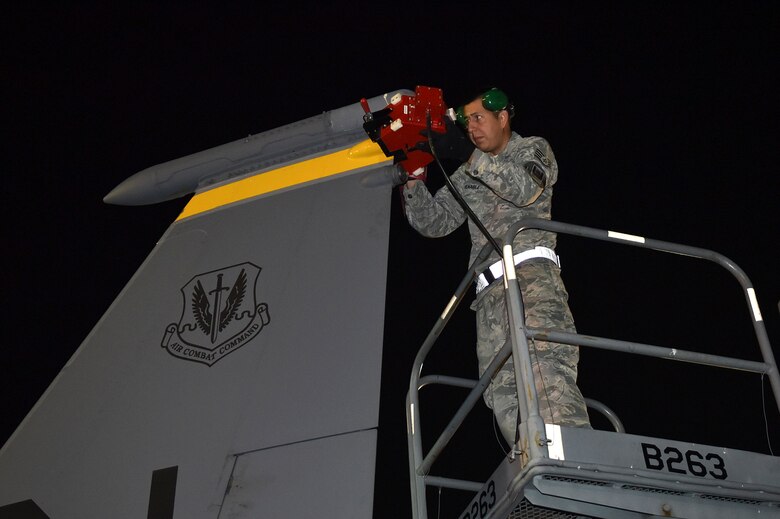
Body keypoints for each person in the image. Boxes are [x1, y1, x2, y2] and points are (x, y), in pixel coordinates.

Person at [401, 87, 590, 446]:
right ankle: (530, 469)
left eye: (478, 119)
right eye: (466, 121)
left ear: (502, 118)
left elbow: (523, 189)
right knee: (503, 395)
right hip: (488, 298)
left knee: (546, 378)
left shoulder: (532, 149)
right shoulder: (468, 172)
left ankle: (577, 467)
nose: (472, 128)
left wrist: (467, 155)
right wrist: (413, 178)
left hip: (531, 283)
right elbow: (434, 222)